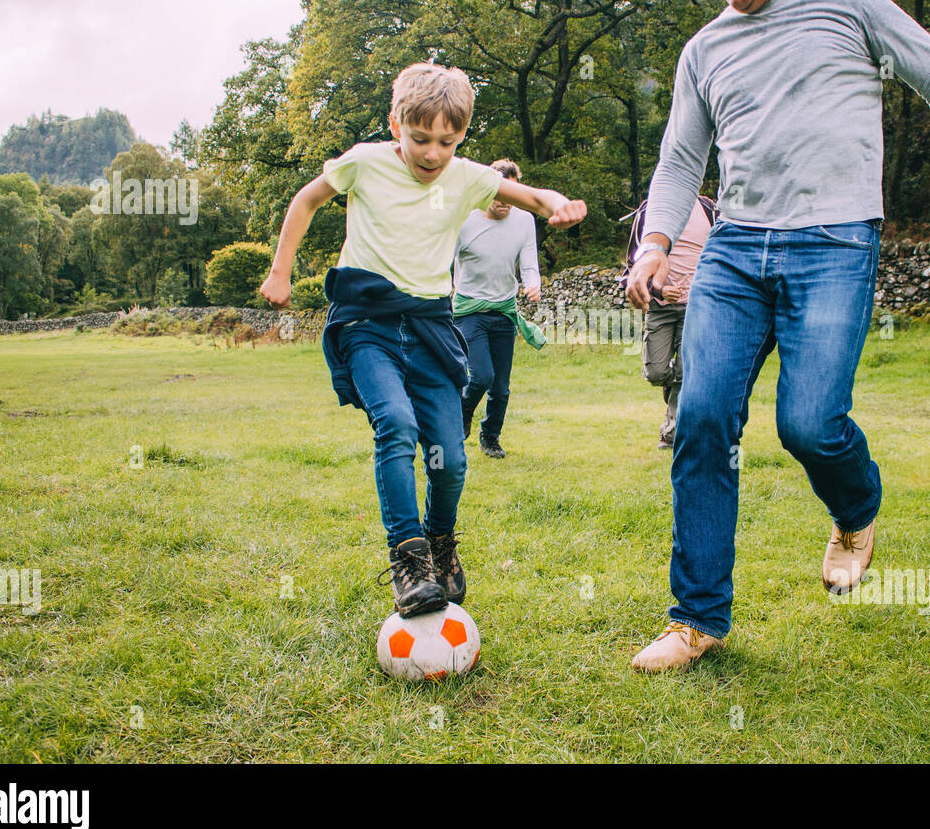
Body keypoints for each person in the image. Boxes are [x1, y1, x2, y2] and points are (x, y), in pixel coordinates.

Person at [625, 0, 930, 671]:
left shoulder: (849, 5)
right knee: (700, 418)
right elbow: (678, 161)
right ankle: (696, 619)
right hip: (735, 250)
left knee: (808, 424)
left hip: (835, 242)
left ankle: (855, 511)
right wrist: (657, 243)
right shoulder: (704, 50)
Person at [259, 63, 585, 618]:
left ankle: (439, 542)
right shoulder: (364, 164)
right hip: (368, 322)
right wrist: (280, 272)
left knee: (450, 459)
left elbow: (531, 195)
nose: (433, 154)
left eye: (447, 142)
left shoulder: (466, 177)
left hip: (433, 326)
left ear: (460, 138)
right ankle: (409, 562)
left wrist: (559, 205)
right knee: (397, 425)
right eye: (420, 139)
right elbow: (306, 200)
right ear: (395, 125)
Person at [453, 159, 545, 459]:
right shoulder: (464, 220)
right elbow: (443, 261)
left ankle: (490, 437)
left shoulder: (523, 220)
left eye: (511, 195)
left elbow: (529, 262)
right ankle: (462, 413)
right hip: (469, 309)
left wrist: (533, 284)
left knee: (501, 387)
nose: (505, 202)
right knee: (481, 376)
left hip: (504, 309)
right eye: (499, 194)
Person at [642, 198, 712, 450]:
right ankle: (670, 384)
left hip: (696, 306)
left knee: (685, 372)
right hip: (659, 309)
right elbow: (634, 263)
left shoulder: (709, 210)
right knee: (656, 373)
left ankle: (670, 434)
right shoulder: (650, 209)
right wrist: (658, 291)